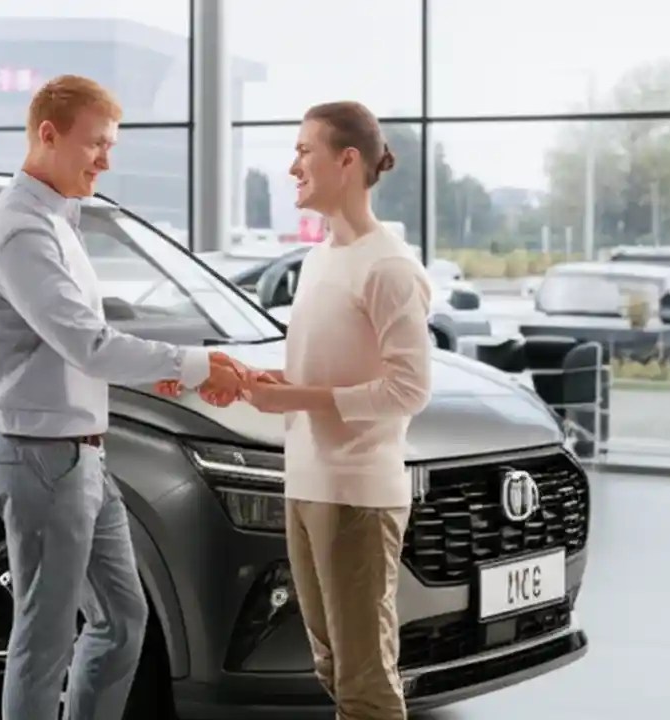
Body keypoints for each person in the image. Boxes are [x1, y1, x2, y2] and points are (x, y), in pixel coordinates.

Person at [0, 74, 245, 720]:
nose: (107, 160)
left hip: (79, 456)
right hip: (41, 457)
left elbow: (71, 349)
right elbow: (85, 343)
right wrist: (195, 366)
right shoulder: (18, 232)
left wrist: (161, 373)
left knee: (122, 618)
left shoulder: (58, 221)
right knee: (45, 634)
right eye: (97, 144)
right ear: (48, 134)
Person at [243, 101, 432, 719]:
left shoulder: (391, 267)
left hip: (358, 495)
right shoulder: (322, 257)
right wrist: (273, 383)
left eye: (304, 150)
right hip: (307, 480)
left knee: (363, 682)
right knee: (331, 664)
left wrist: (295, 396)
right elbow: (329, 371)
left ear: (347, 160)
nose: (292, 164)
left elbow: (409, 389)